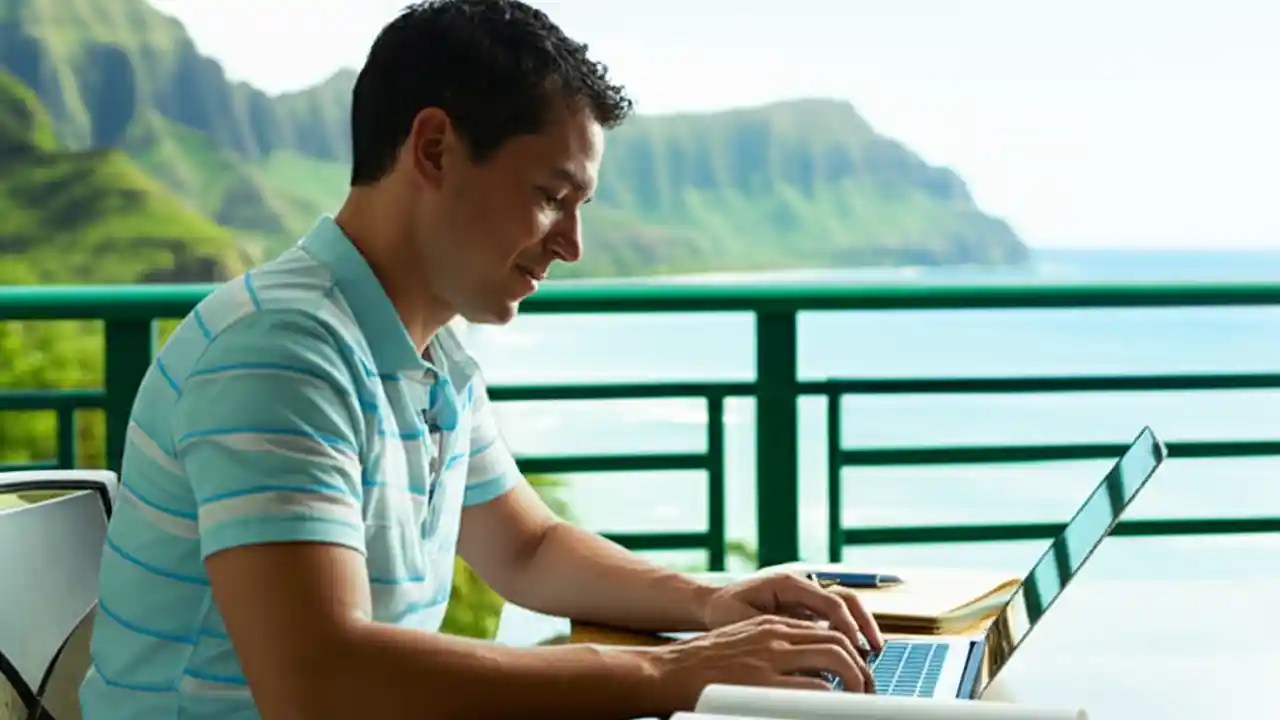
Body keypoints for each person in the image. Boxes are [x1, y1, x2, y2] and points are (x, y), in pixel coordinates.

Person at [79, 1, 884, 717]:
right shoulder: (281, 353)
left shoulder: (424, 351)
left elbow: (526, 548)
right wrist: (669, 671)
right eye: (551, 196)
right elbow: (319, 682)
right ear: (433, 149)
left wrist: (710, 602)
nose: (571, 245)